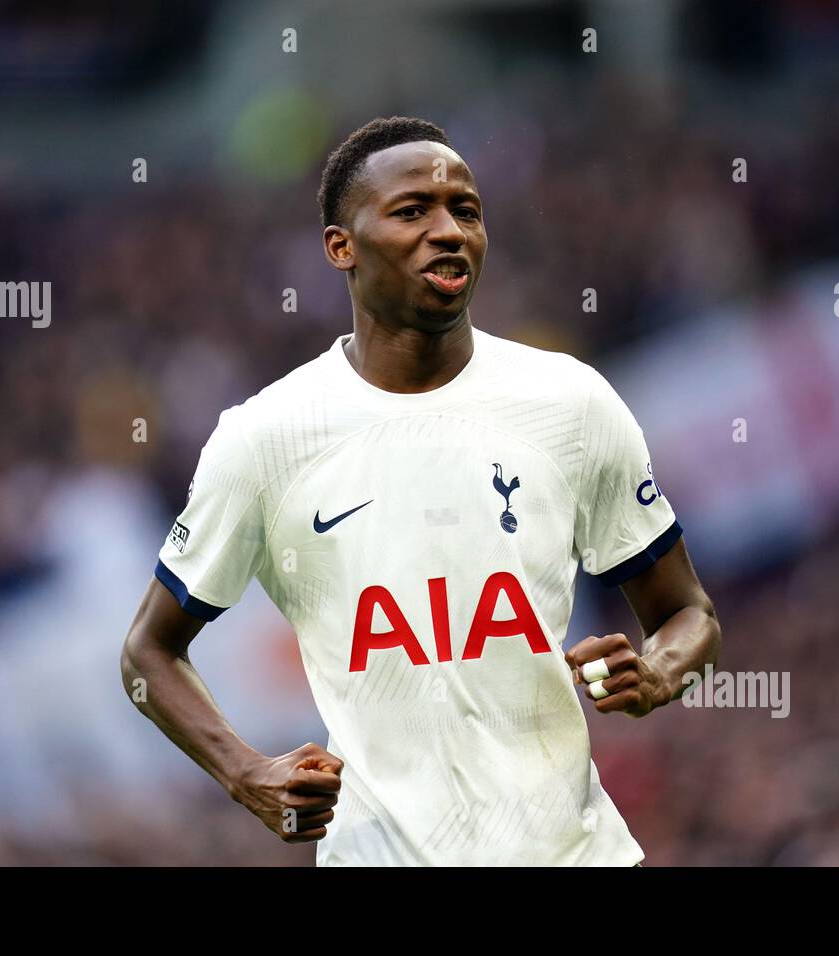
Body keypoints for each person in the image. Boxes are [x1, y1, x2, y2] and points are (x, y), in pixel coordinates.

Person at [120, 116, 721, 866]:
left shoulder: (569, 402)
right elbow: (148, 652)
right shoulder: (263, 439)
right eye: (413, 211)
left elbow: (687, 613)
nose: (449, 231)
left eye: (465, 210)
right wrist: (246, 773)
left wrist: (659, 670)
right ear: (342, 246)